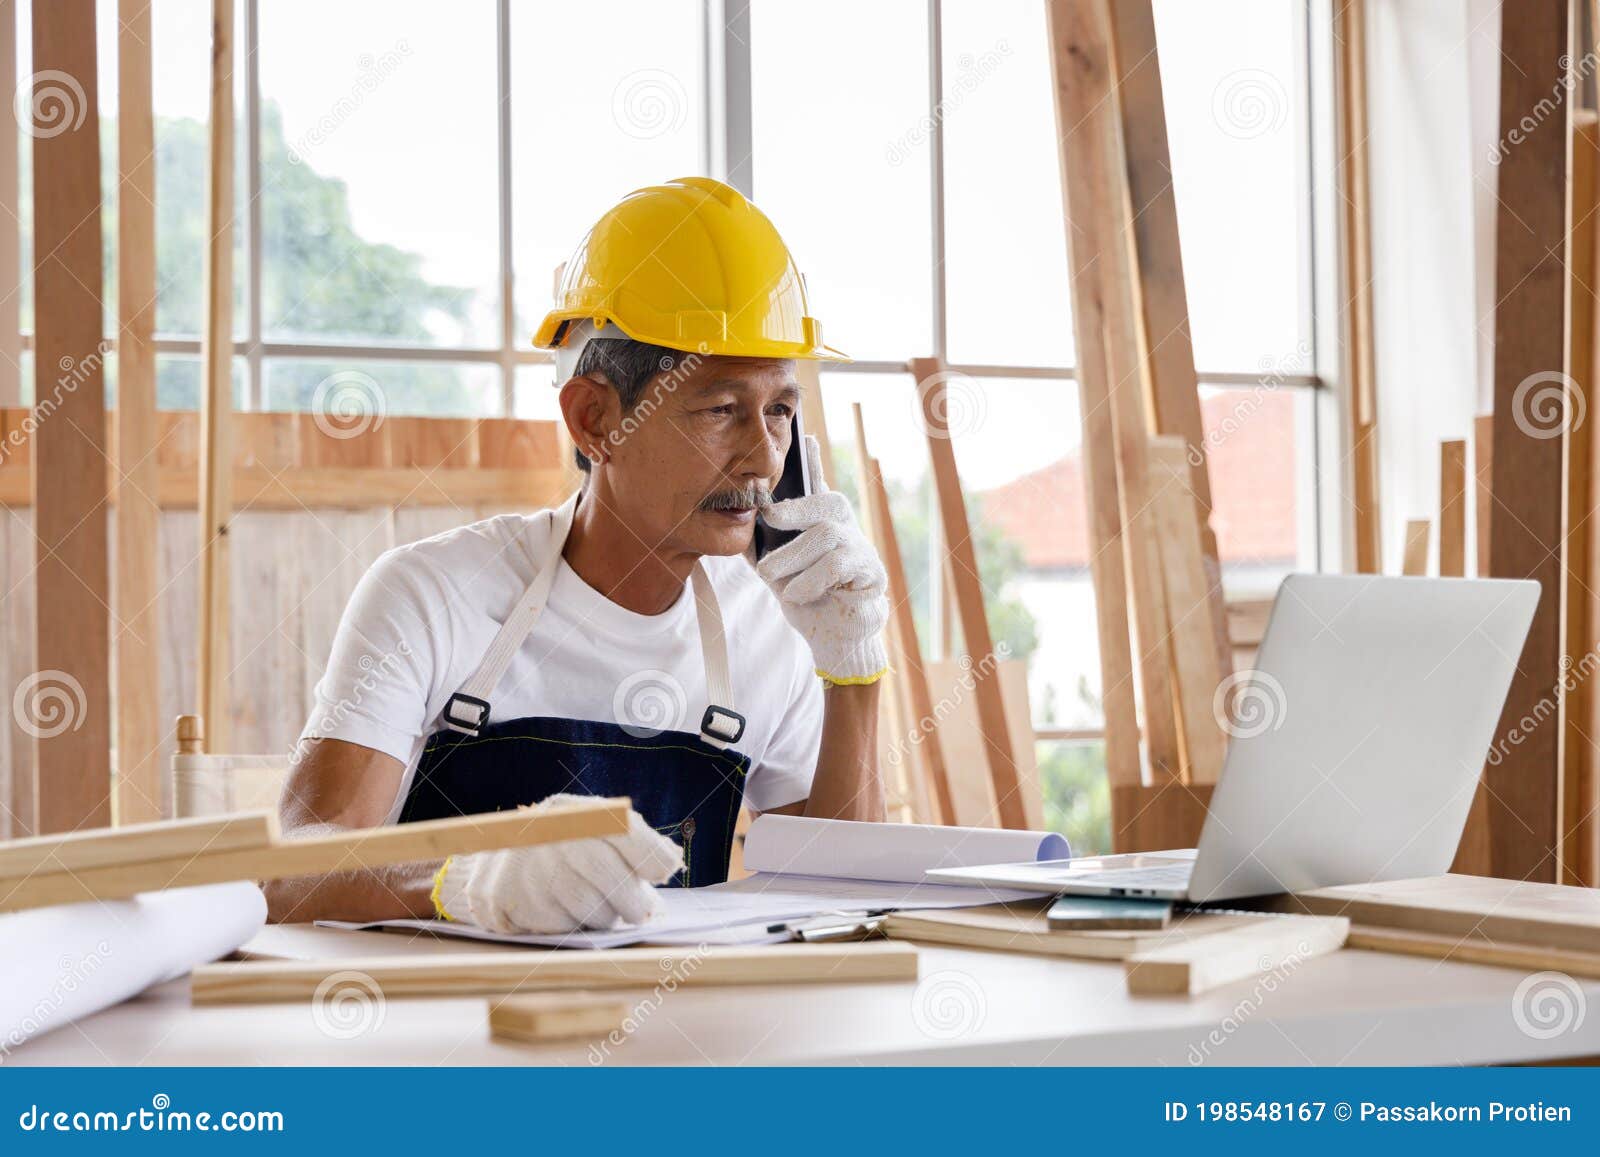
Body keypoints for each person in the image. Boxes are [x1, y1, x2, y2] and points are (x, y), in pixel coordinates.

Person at [264, 176, 889, 935]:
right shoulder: (430, 596)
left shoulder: (773, 628)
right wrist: (465, 879)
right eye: (722, 410)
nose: (763, 457)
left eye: (780, 410)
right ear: (595, 419)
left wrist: (852, 670)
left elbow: (845, 896)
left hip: (675, 1041)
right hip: (442, 1039)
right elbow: (291, 869)